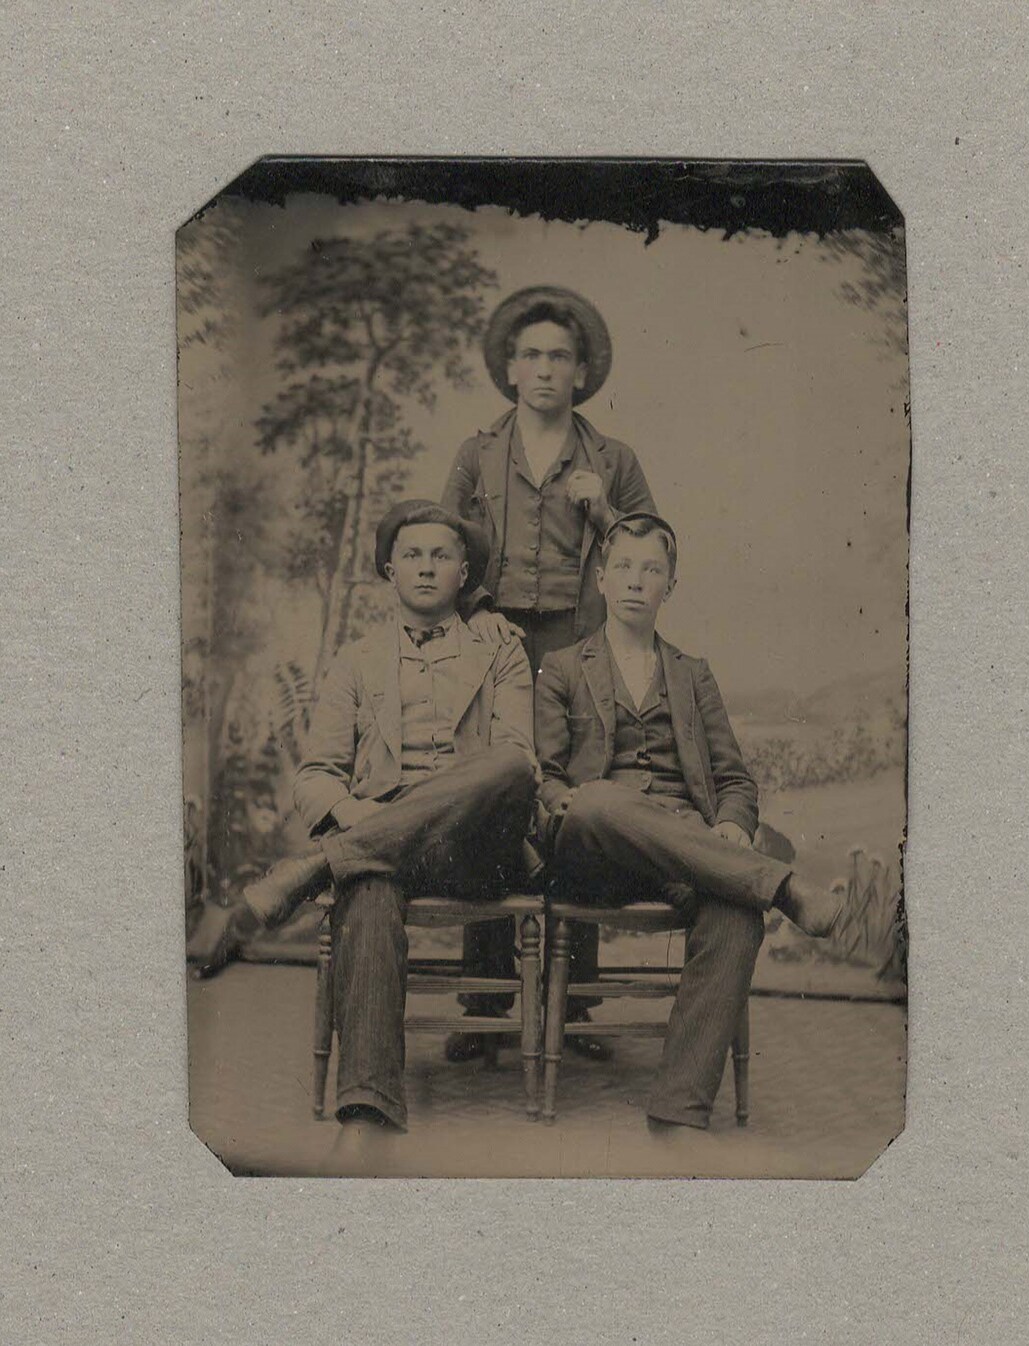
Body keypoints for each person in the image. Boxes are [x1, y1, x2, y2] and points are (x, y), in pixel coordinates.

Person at [201, 501, 537, 1168]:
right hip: (385, 844)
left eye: (441, 554)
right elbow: (318, 774)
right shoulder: (355, 662)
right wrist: (363, 822)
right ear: (389, 570)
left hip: (480, 849)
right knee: (370, 887)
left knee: (504, 764)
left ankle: (308, 870)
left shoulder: (500, 652)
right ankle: (368, 1113)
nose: (426, 566)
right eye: (412, 554)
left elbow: (519, 763)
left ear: (463, 570)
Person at [534, 513, 859, 1135]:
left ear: (670, 586)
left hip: (685, 851)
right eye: (623, 567)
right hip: (593, 850)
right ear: (600, 580)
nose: (635, 581)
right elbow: (547, 781)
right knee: (600, 799)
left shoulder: (691, 673)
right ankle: (781, 884)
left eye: (651, 570)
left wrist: (733, 825)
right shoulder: (563, 667)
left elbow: (734, 780)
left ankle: (678, 1112)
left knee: (735, 911)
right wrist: (576, 804)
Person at [440, 285, 657, 1061]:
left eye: (558, 356)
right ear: (508, 367)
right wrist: (477, 618)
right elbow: (444, 555)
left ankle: (575, 1009)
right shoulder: (476, 454)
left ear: (581, 369)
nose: (543, 369)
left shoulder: (614, 460)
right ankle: (482, 1006)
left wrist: (602, 512)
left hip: (580, 650)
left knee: (579, 799)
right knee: (493, 799)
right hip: (496, 648)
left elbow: (648, 555)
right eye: (529, 354)